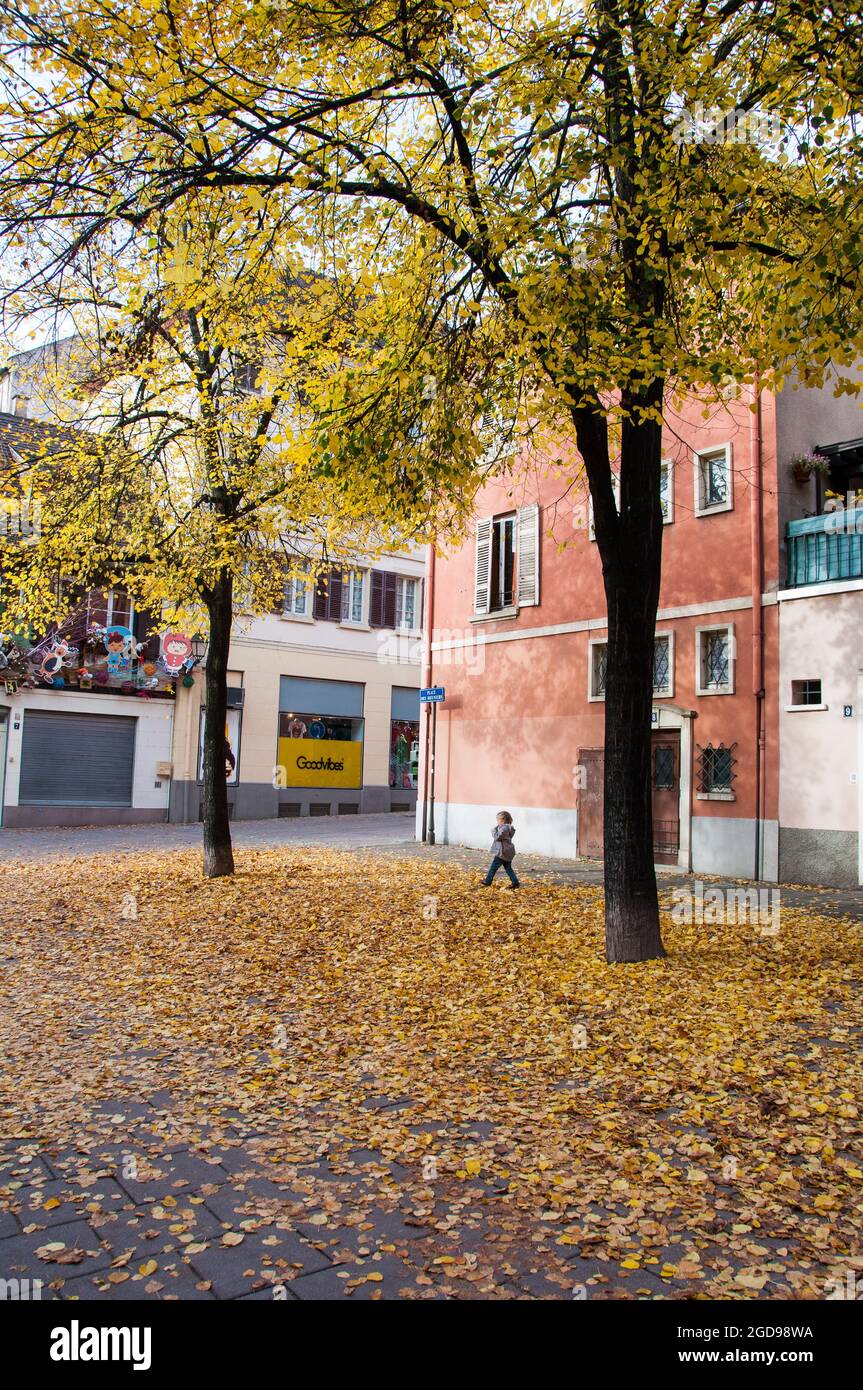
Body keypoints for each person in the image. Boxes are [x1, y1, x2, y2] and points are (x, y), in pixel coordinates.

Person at [482, 810, 520, 888]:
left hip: (502, 852)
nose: (497, 822)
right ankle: (515, 882)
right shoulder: (508, 828)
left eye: (498, 820)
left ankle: (487, 881)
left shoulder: (504, 828)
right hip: (508, 851)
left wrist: (494, 831)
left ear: (503, 820)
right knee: (508, 868)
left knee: (493, 867)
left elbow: (497, 837)